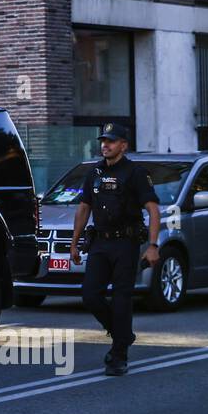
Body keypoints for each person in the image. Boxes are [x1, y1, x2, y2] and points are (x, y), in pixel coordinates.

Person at [69, 122, 161, 376]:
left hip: (125, 244)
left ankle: (118, 355)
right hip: (100, 243)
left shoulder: (135, 173)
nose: (105, 145)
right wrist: (74, 243)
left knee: (121, 299)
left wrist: (153, 246)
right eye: (103, 141)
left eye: (111, 141)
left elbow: (153, 210)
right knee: (90, 295)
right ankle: (123, 334)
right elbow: (83, 209)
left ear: (123, 145)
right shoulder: (94, 174)